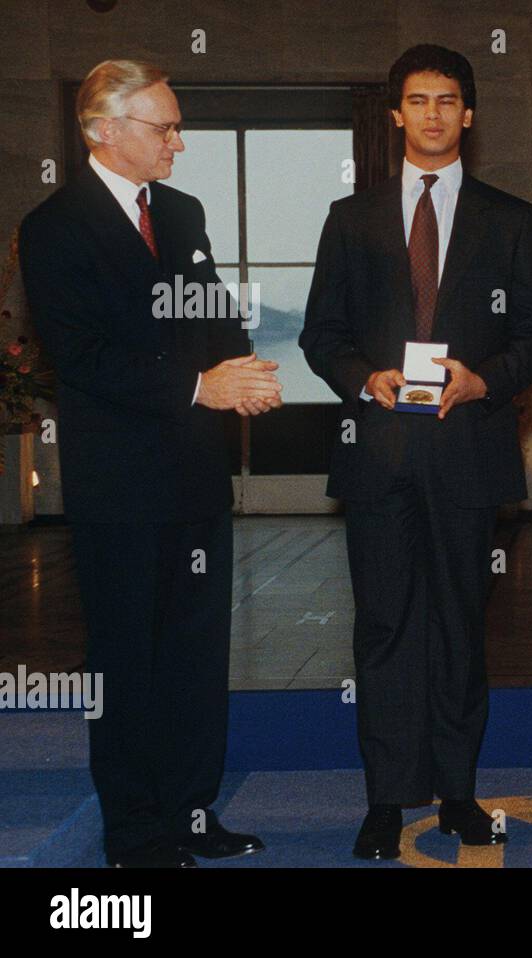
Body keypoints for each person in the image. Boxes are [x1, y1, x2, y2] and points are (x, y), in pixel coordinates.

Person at [19, 59, 280, 867]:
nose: (180, 142)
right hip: (120, 488)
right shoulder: (54, 227)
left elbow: (206, 306)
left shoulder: (181, 210)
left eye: (176, 125)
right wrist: (203, 385)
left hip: (197, 476)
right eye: (164, 127)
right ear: (105, 131)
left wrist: (243, 372)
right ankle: (134, 833)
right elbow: (82, 356)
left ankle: (192, 814)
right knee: (128, 660)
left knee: (199, 658)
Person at [300, 44, 532, 859]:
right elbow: (319, 336)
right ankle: (384, 800)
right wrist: (361, 377)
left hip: (467, 456)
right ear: (395, 115)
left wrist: (484, 381)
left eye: (449, 99)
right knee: (381, 629)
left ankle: (457, 794)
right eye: (419, 99)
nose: (434, 113)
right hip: (377, 455)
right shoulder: (351, 218)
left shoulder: (510, 219)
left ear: (469, 114)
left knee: (458, 627)